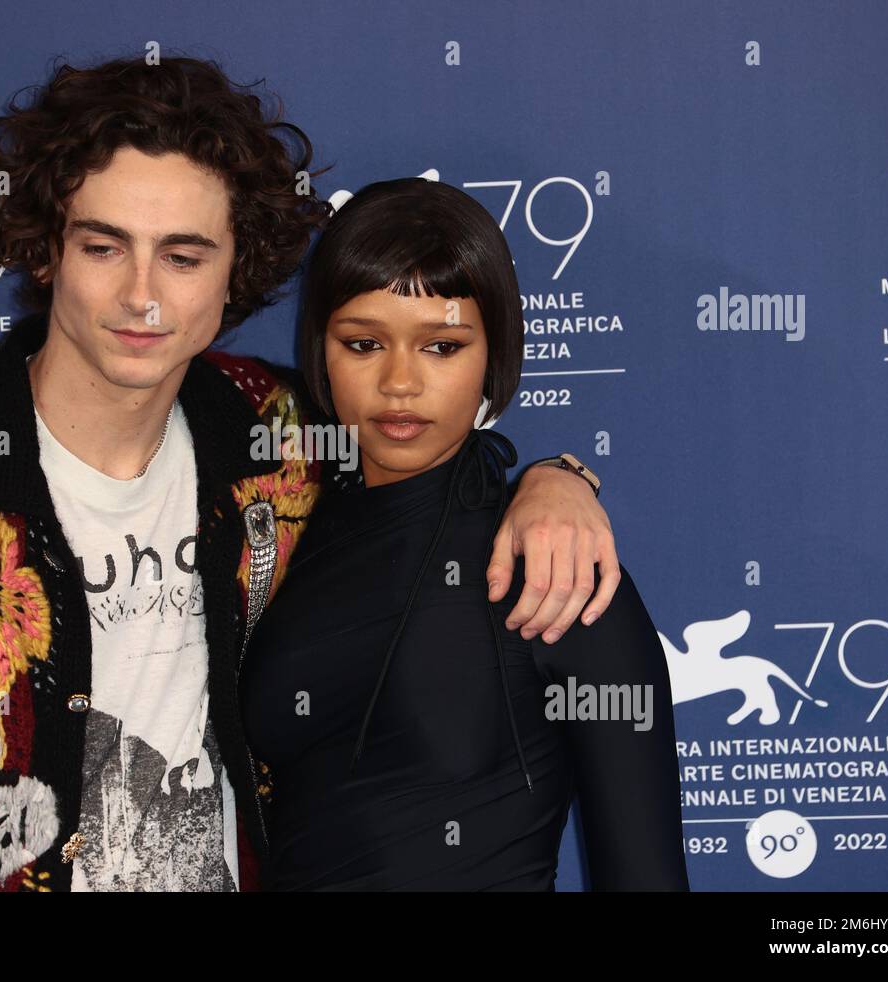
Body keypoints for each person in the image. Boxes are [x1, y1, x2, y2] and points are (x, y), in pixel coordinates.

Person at [0, 55, 620, 892]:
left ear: (239, 269)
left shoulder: (281, 437)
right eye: (104, 247)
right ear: (45, 251)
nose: (143, 296)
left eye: (185, 256)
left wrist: (557, 475)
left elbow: (431, 458)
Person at [241, 177, 690, 890]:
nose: (399, 384)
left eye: (442, 347)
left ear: (495, 355)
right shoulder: (279, 531)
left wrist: (559, 477)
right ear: (319, 352)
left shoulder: (554, 569)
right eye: (362, 343)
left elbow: (646, 878)